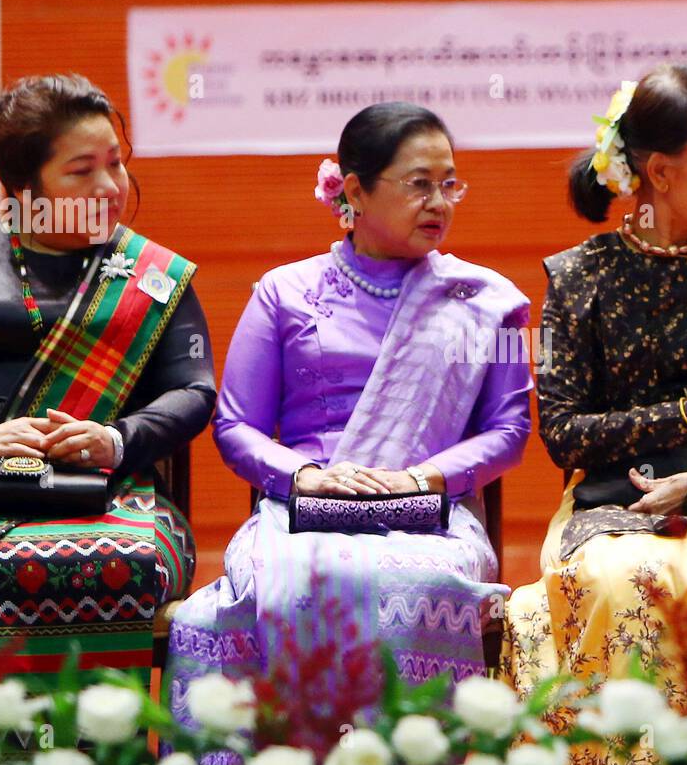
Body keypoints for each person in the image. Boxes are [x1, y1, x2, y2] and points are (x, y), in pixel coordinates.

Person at [165, 103, 532, 730]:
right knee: (295, 580)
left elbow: (510, 429)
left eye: (450, 184)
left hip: (430, 518)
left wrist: (423, 479)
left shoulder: (485, 300)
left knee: (421, 591)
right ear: (355, 191)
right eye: (419, 184)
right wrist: (303, 475)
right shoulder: (283, 292)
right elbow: (235, 426)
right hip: (302, 512)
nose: (439, 201)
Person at [0, 73, 215, 685]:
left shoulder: (151, 276)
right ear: (23, 188)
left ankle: (103, 759)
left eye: (116, 163)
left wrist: (115, 440)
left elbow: (193, 391)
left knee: (119, 561)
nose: (110, 187)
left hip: (115, 497)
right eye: (82, 171)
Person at [503, 65, 687, 763]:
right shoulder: (577, 277)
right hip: (612, 509)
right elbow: (565, 432)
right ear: (661, 173)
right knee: (620, 583)